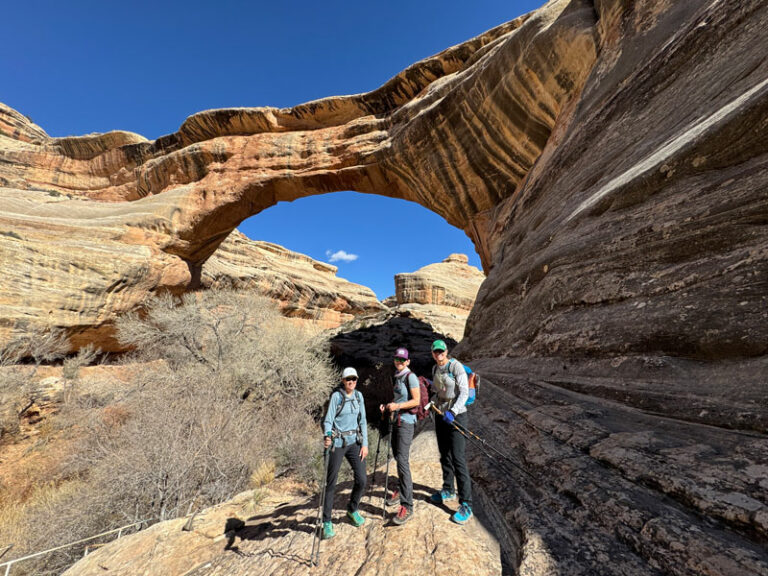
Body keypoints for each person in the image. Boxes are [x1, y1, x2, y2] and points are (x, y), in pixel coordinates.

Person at [321, 367, 369, 539]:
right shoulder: (337, 397)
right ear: (342, 380)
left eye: (354, 379)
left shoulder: (358, 396)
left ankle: (352, 509)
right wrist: (327, 436)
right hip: (338, 443)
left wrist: (365, 444)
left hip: (354, 442)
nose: (351, 382)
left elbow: (362, 420)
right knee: (331, 483)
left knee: (362, 479)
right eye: (348, 379)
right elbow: (328, 420)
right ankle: (327, 521)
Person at [429, 339, 473, 524]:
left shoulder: (456, 367)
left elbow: (463, 392)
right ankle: (448, 489)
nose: (439, 354)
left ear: (446, 351)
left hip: (456, 416)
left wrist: (453, 411)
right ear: (432, 353)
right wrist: (431, 401)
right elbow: (438, 391)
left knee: (458, 458)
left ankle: (466, 504)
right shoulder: (435, 369)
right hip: (441, 415)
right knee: (444, 455)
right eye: (436, 352)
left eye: (441, 351)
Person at [379, 347, 420, 526]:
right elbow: (398, 400)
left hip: (406, 423)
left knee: (402, 460)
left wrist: (397, 406)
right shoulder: (397, 376)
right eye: (397, 359)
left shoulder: (411, 377)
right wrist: (388, 407)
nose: (399, 362)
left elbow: (416, 401)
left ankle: (407, 505)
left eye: (402, 360)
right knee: (397, 457)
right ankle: (401, 490)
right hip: (397, 421)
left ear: (408, 361)